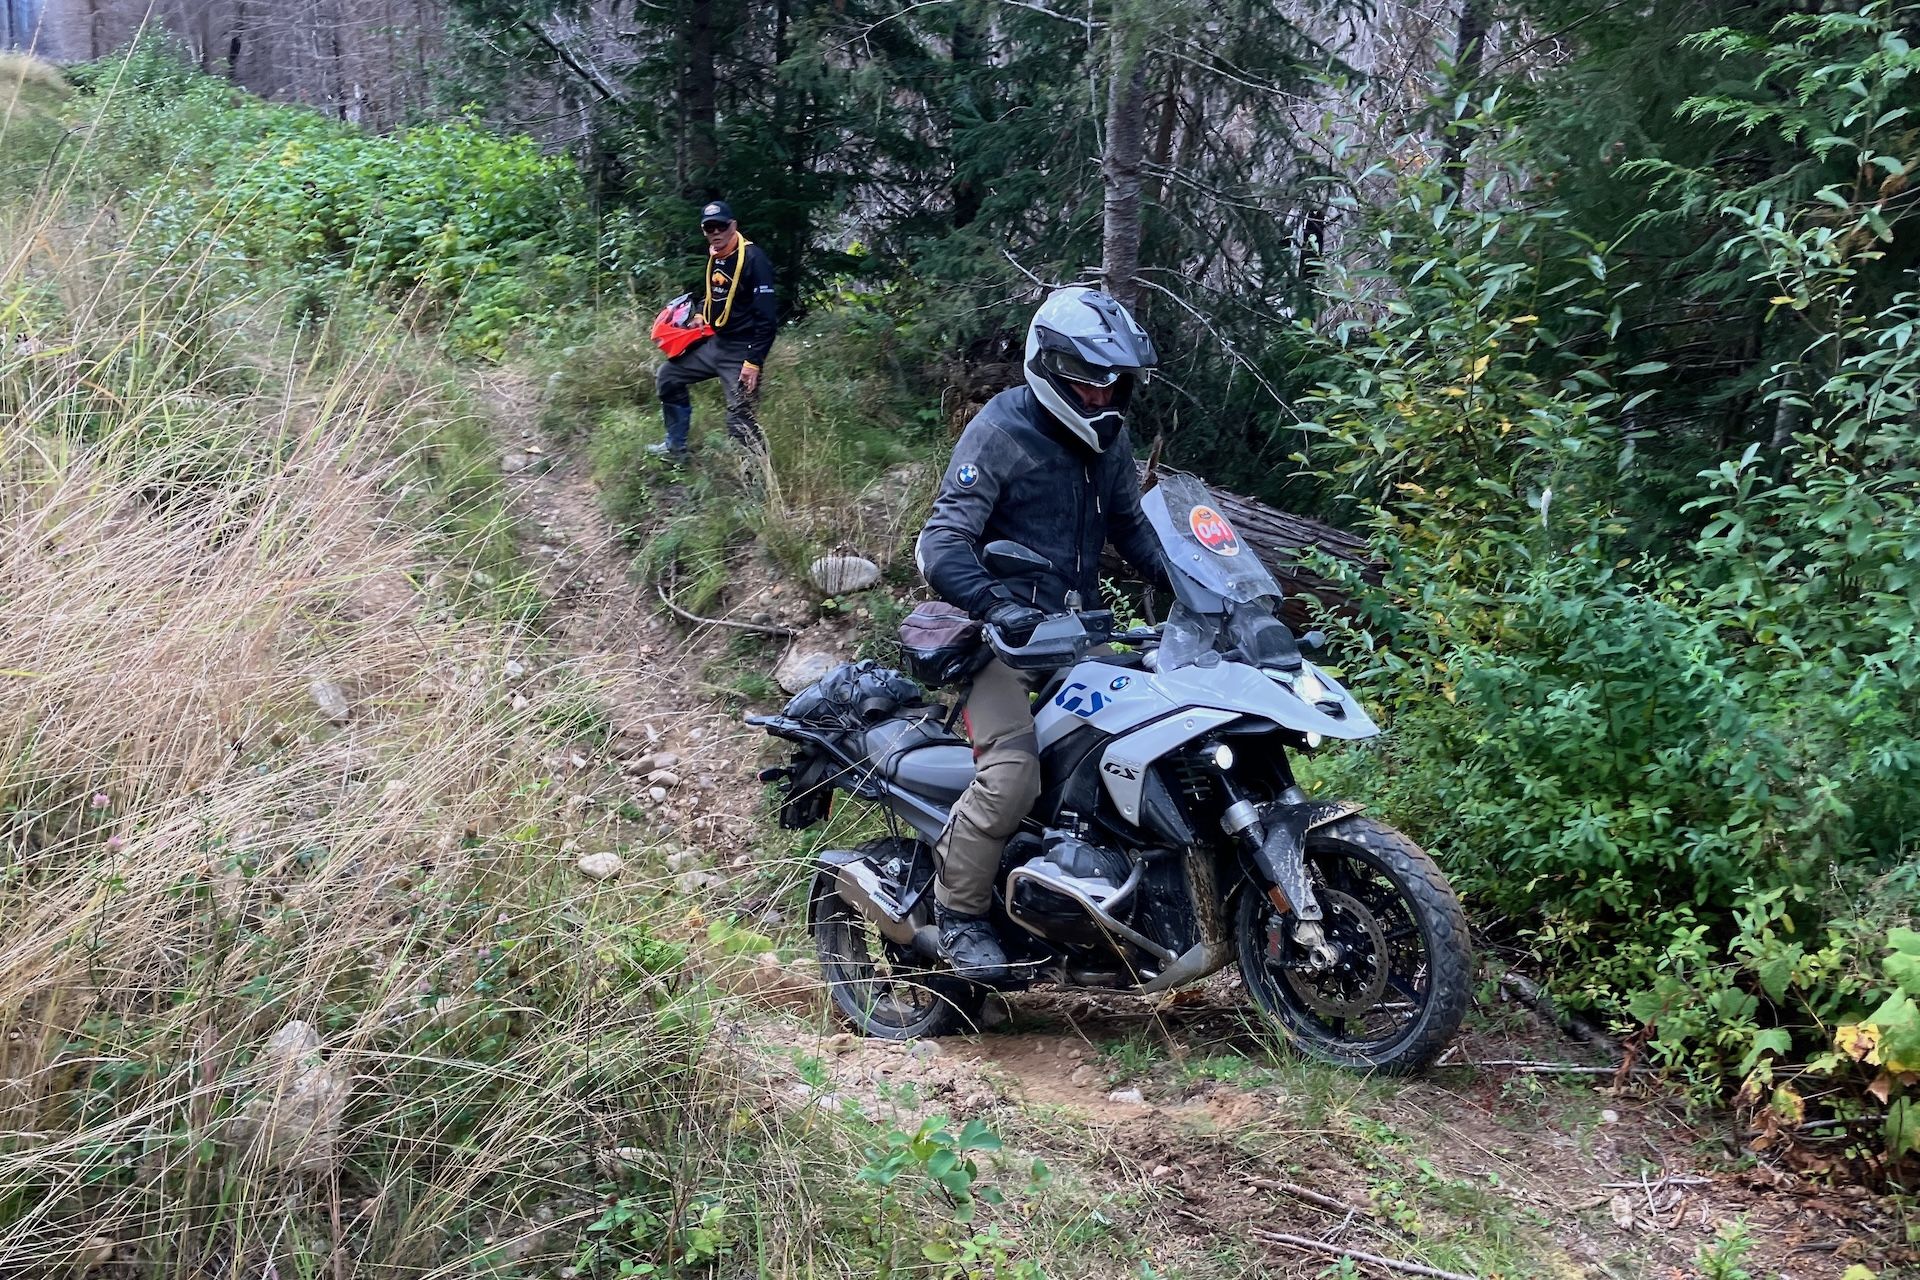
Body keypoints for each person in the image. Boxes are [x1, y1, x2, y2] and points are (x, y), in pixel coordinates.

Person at [914, 287, 1172, 980]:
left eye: (1115, 384)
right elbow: (941, 543)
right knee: (1012, 774)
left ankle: (1118, 911)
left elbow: (1133, 527)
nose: (1102, 399)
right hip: (999, 643)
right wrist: (997, 608)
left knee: (1156, 743)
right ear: (1048, 368)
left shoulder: (1108, 442)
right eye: (1087, 384)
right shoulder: (999, 431)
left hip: (1078, 637)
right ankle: (959, 916)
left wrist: (1186, 579)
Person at [650, 200, 776, 458]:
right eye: (710, 228)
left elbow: (767, 319)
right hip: (716, 343)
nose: (716, 232)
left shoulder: (754, 259)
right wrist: (699, 315)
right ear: (704, 230)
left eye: (721, 226)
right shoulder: (717, 257)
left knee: (740, 419)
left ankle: (759, 490)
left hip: (742, 352)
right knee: (668, 377)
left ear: (733, 226)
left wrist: (754, 362)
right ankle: (675, 448)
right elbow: (716, 297)